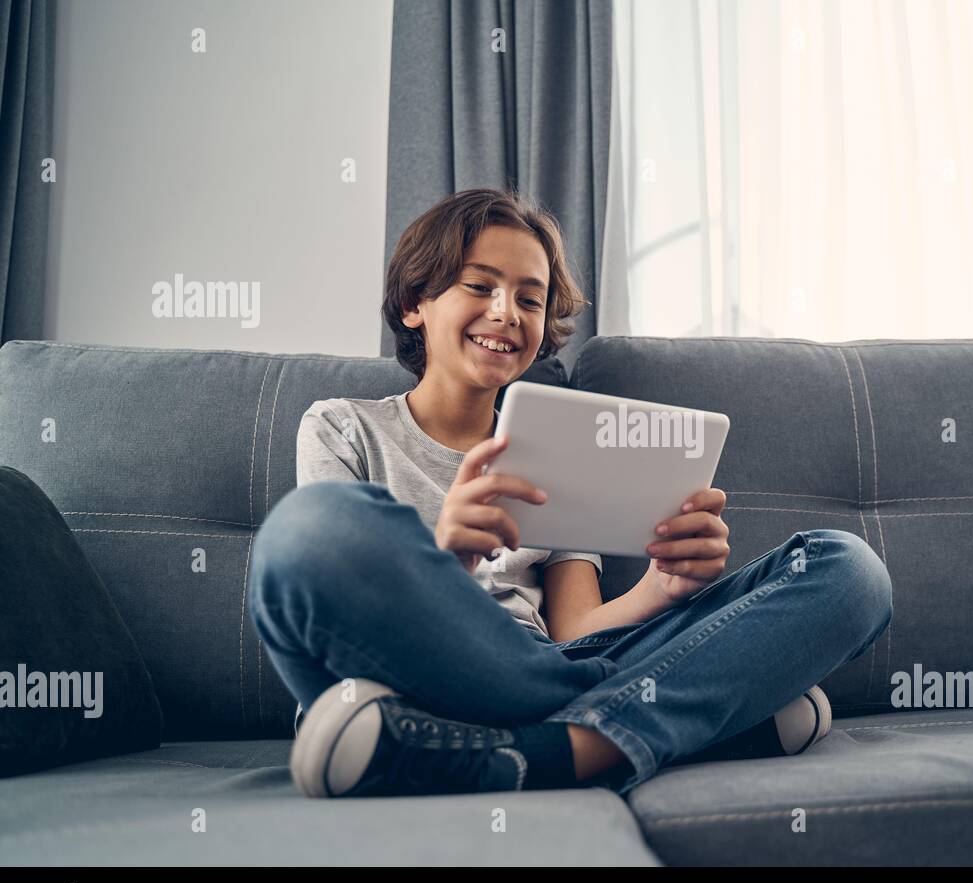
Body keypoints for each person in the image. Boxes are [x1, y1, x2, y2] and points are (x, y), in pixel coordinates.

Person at [248, 187, 893, 798]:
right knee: (306, 529)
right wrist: (444, 561)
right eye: (480, 286)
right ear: (416, 303)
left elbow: (574, 631)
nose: (506, 312)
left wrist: (661, 588)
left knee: (847, 570)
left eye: (530, 300)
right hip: (409, 669)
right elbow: (326, 594)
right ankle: (670, 720)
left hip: (547, 671)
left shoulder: (559, 445)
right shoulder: (342, 426)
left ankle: (532, 752)